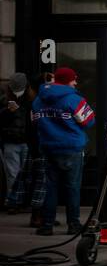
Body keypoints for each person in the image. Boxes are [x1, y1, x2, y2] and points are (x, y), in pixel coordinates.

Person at [31, 67, 96, 236]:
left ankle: (47, 225)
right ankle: (73, 224)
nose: (76, 83)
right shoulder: (74, 99)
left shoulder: (39, 100)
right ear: (68, 81)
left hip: (49, 148)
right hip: (71, 148)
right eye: (74, 80)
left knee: (51, 187)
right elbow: (89, 121)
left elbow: (34, 121)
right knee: (72, 188)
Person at [1, 73, 34, 211]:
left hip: (25, 141)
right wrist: (7, 111)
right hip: (11, 141)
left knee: (26, 174)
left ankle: (23, 201)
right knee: (13, 174)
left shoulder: (31, 100)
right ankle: (13, 201)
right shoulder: (5, 100)